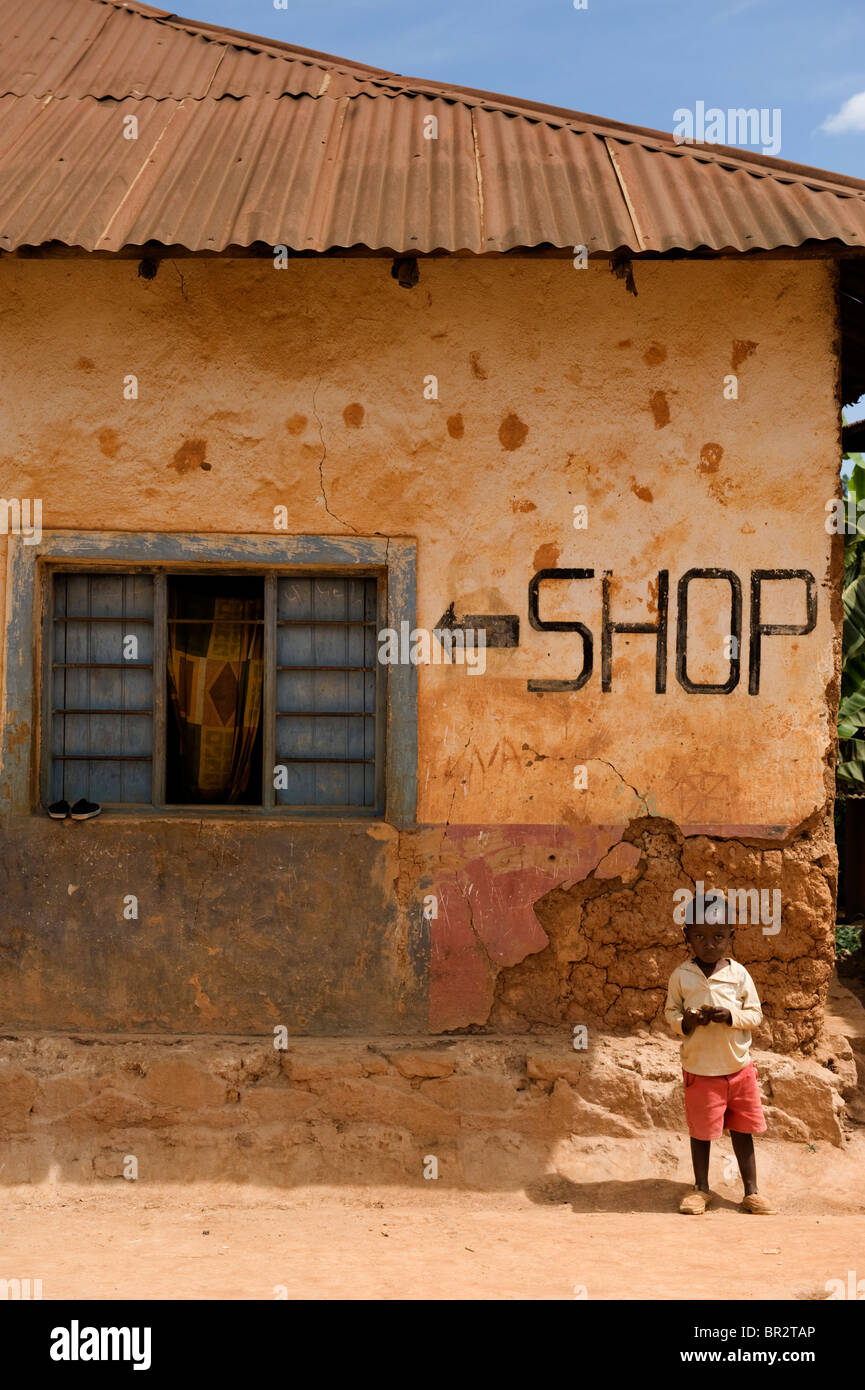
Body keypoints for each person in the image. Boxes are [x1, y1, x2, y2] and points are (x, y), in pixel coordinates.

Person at [665, 893, 777, 1215]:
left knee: (743, 1131)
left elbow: (754, 1014)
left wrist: (729, 1017)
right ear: (686, 935)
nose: (709, 944)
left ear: (731, 935)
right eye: (699, 936)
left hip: (738, 1069)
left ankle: (751, 1192)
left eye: (718, 936)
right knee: (702, 1132)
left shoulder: (739, 974)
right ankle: (701, 1188)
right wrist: (685, 1022)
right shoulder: (682, 975)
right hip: (701, 1070)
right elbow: (670, 1013)